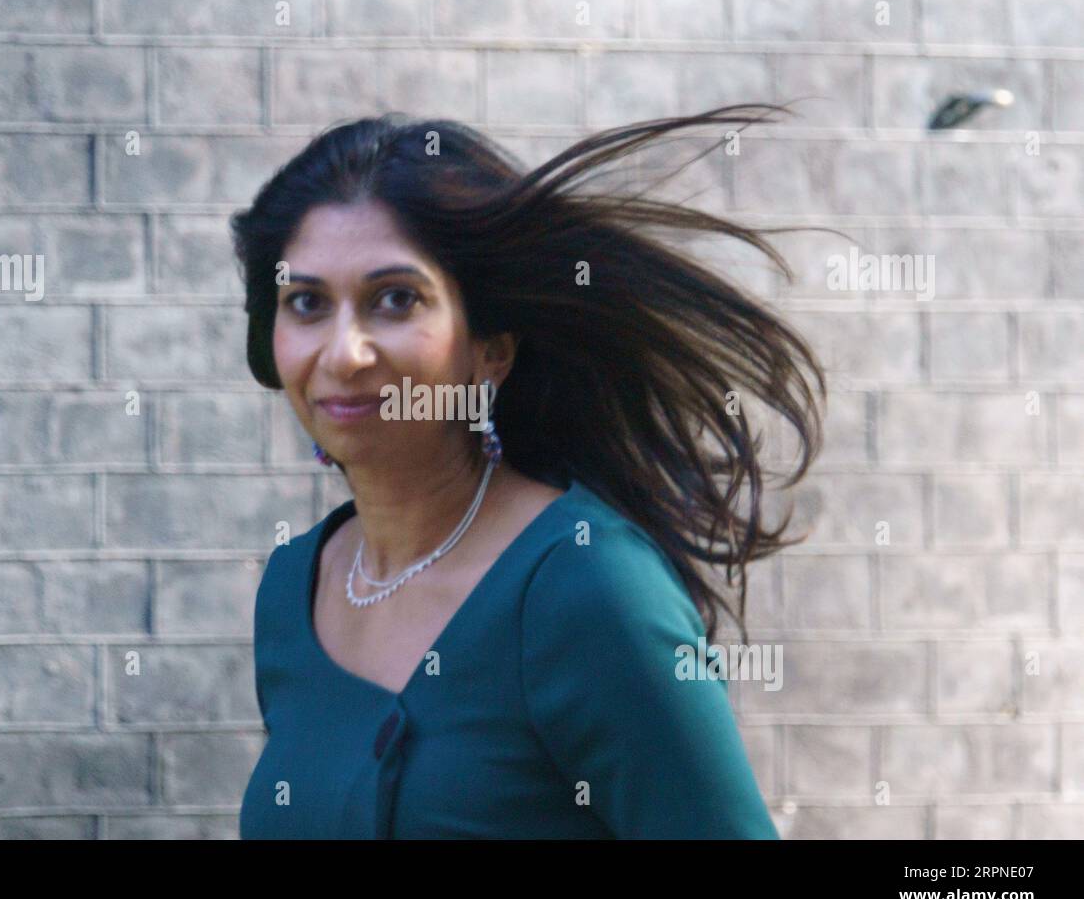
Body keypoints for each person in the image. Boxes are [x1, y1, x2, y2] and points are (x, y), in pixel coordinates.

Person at [232, 107, 826, 838]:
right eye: (307, 303)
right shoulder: (295, 585)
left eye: (395, 298)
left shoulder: (586, 585)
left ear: (490, 349)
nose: (344, 352)